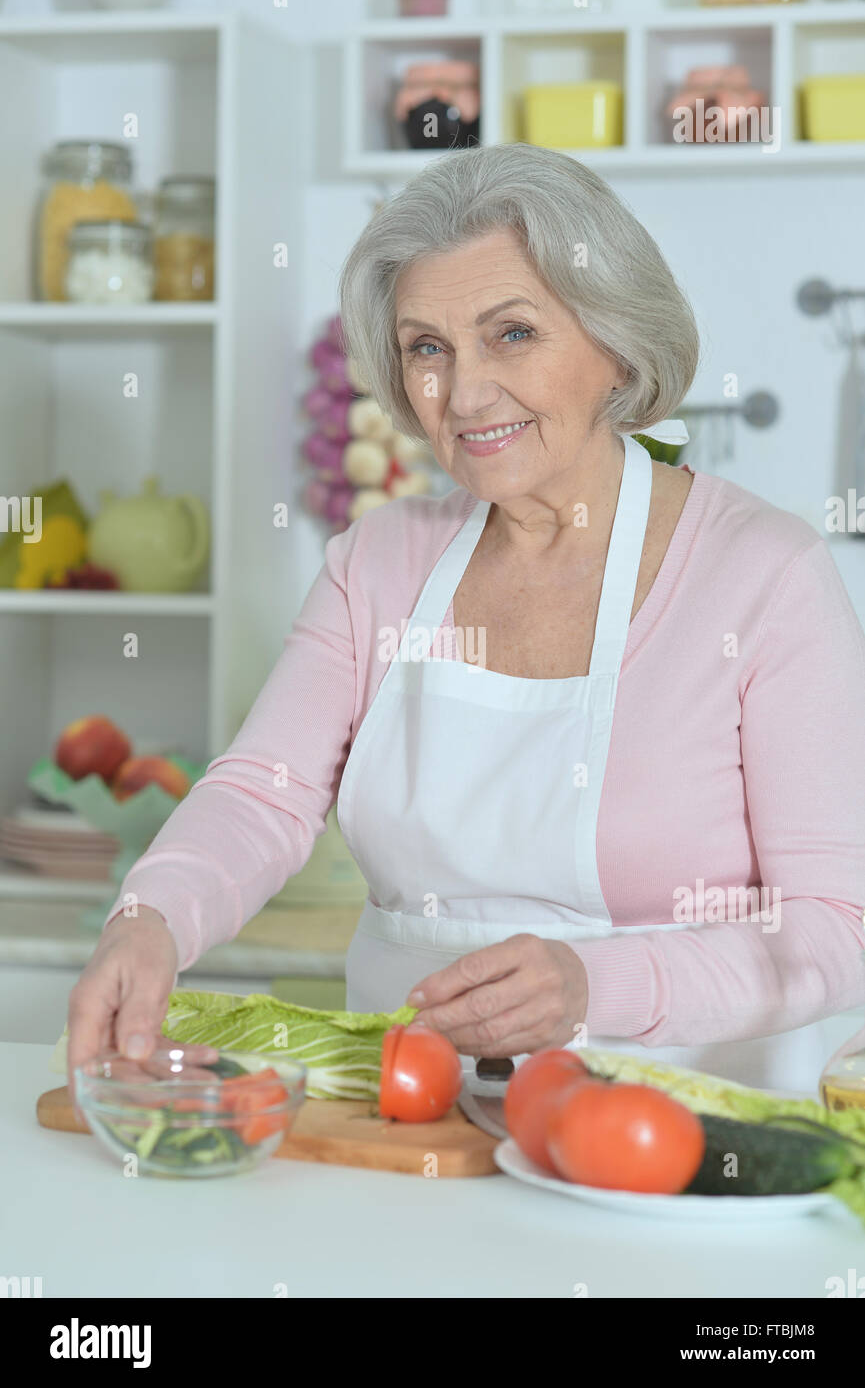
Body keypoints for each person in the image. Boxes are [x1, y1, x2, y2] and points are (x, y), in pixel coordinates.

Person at [67, 143, 865, 1099]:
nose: (467, 392)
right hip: (406, 1120)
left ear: (614, 341)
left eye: (512, 334)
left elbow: (835, 923)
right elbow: (261, 796)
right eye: (427, 349)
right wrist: (147, 918)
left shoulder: (762, 573)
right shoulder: (379, 561)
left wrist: (592, 987)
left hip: (675, 1146)